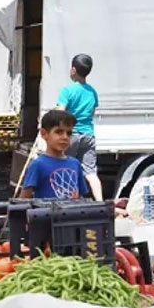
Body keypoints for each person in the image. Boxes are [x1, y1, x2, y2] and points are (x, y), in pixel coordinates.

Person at [56, 53, 101, 201]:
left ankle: (68, 201)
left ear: (73, 70)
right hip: (88, 135)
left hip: (72, 135)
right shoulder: (92, 91)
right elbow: (92, 112)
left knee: (66, 169)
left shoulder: (68, 90)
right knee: (90, 172)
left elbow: (60, 112)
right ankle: (100, 202)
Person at [20, 109, 90, 200]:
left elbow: (80, 196)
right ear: (44, 134)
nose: (65, 137)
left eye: (69, 133)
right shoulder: (38, 164)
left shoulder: (75, 163)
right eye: (59, 132)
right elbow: (24, 199)